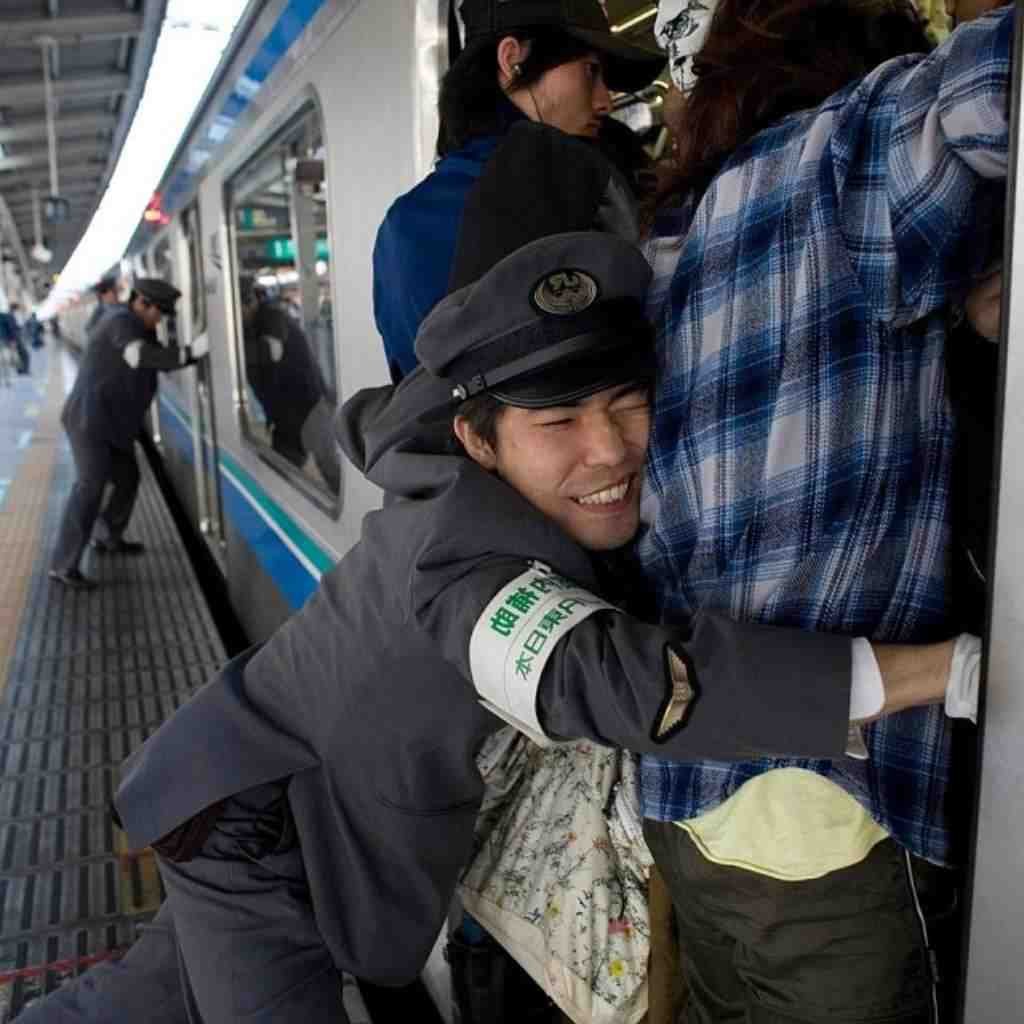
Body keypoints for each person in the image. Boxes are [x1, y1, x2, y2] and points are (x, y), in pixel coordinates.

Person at [18, 230, 964, 1024]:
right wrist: (944, 672)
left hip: (243, 791)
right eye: (558, 422)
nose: (610, 450)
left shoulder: (452, 460)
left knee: (139, 1000)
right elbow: (627, 683)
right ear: (480, 439)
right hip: (264, 840)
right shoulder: (466, 568)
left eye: (629, 401)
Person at [634, 2, 1010, 1021]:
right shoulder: (855, 151)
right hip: (831, 809)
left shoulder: (675, 239)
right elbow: (1000, 83)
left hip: (684, 798)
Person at [372, 0, 664, 381]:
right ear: (513, 59)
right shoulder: (584, 197)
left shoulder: (402, 223)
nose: (605, 101)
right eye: (591, 72)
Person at [49, 278, 209, 590]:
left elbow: (163, 360)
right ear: (141, 303)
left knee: (128, 478)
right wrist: (195, 349)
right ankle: (63, 565)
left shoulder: (141, 326)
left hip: (115, 423)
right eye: (158, 311)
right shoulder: (119, 321)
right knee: (89, 487)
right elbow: (140, 357)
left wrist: (189, 354)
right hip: (90, 421)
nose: (160, 318)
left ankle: (108, 536)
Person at [239, 277, 341, 492]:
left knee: (331, 469)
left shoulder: (272, 315)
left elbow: (272, 351)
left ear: (250, 302)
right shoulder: (247, 326)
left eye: (240, 309)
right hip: (284, 416)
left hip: (309, 406)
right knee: (280, 473)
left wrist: (232, 351)